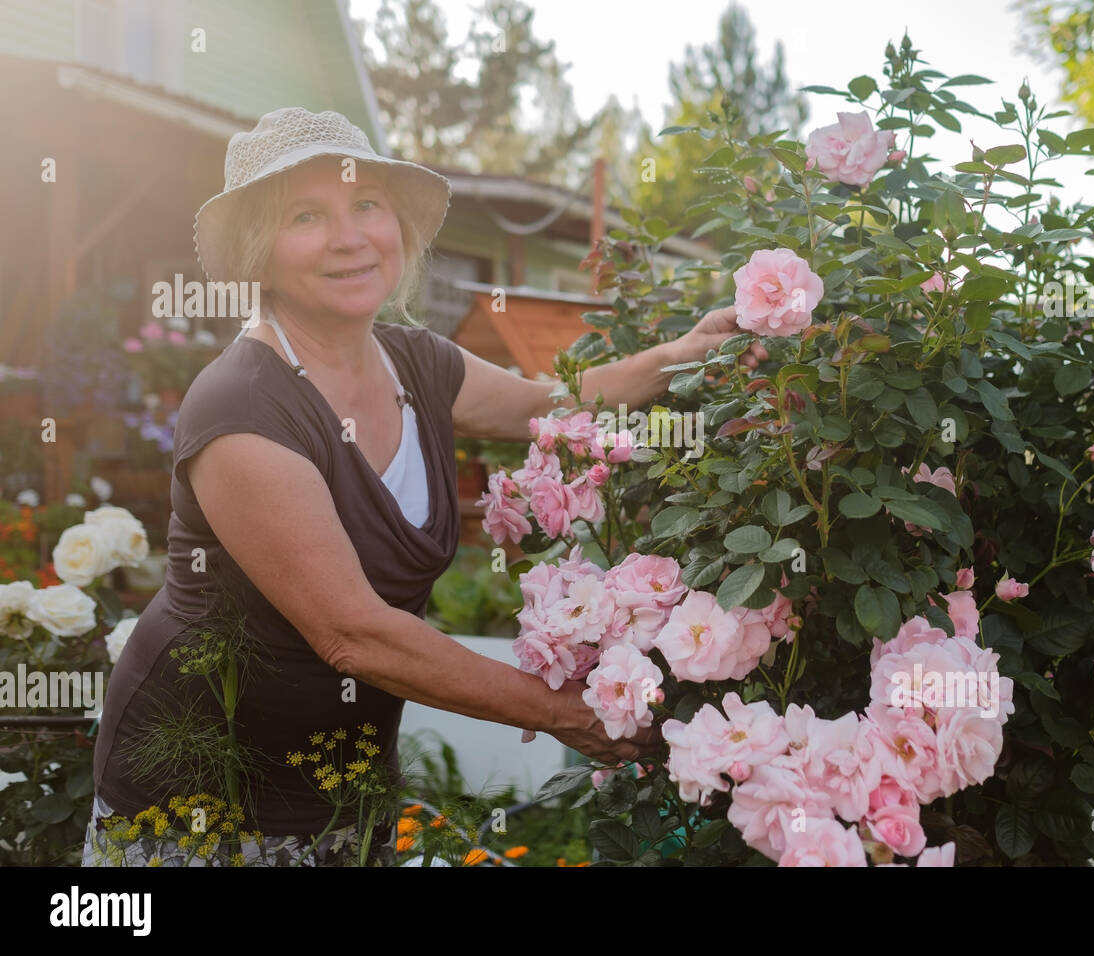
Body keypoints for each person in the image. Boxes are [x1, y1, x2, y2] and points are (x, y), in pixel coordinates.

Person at [83, 107, 766, 865]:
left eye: (366, 205)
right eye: (308, 216)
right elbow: (353, 632)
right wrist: (564, 713)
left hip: (346, 783)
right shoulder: (243, 406)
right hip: (200, 803)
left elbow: (559, 404)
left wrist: (685, 352)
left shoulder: (416, 362)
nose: (350, 237)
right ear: (259, 252)